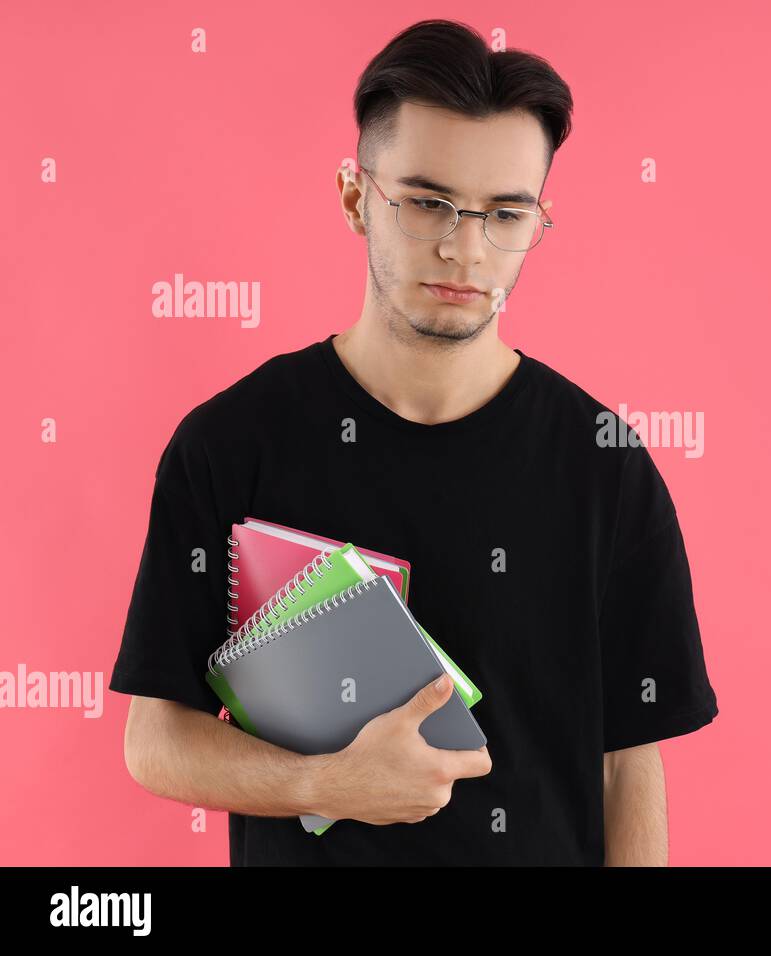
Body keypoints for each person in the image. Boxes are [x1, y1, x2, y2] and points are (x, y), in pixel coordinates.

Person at [110, 18, 719, 866]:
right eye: (427, 201)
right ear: (357, 196)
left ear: (539, 219)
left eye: (504, 212)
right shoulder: (228, 445)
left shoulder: (605, 465)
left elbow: (629, 764)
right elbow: (155, 739)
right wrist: (324, 782)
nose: (464, 248)